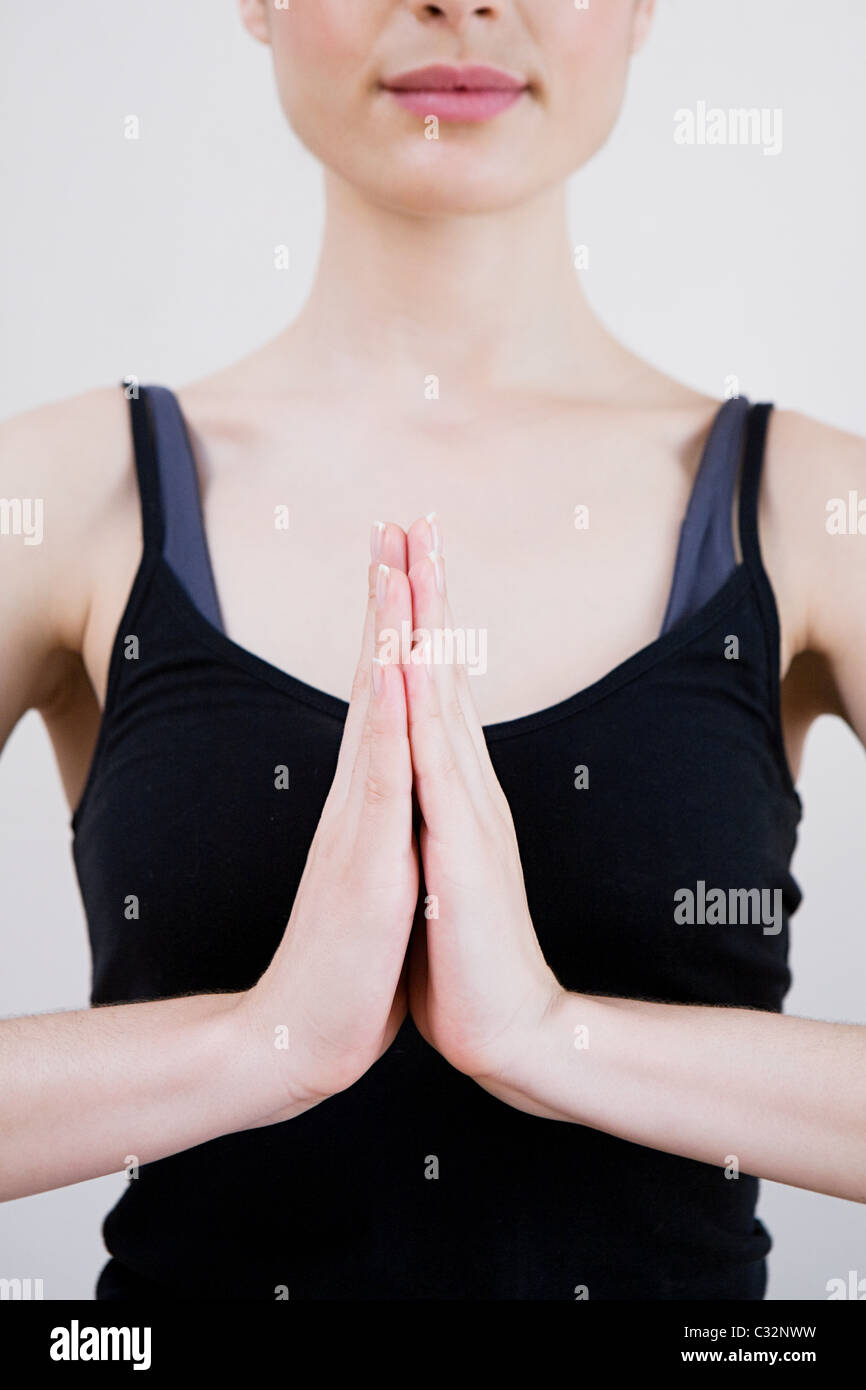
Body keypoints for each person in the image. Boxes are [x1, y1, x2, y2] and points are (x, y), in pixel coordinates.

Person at [1, 0, 864, 1300]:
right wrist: (260, 1042)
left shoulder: (813, 508)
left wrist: (549, 1036)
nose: (458, 4)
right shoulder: (59, 496)